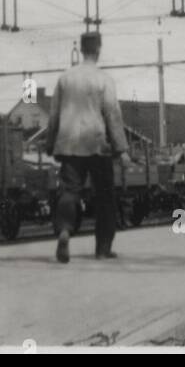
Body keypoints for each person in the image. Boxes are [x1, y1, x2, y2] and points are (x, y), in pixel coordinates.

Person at [44, 31, 130, 263]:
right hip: (97, 145)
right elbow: (112, 115)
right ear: (98, 49)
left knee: (69, 190)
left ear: (81, 50)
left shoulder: (65, 78)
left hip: (69, 144)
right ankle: (102, 249)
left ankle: (64, 230)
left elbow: (53, 116)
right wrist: (121, 150)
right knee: (105, 197)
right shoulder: (104, 79)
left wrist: (50, 143)